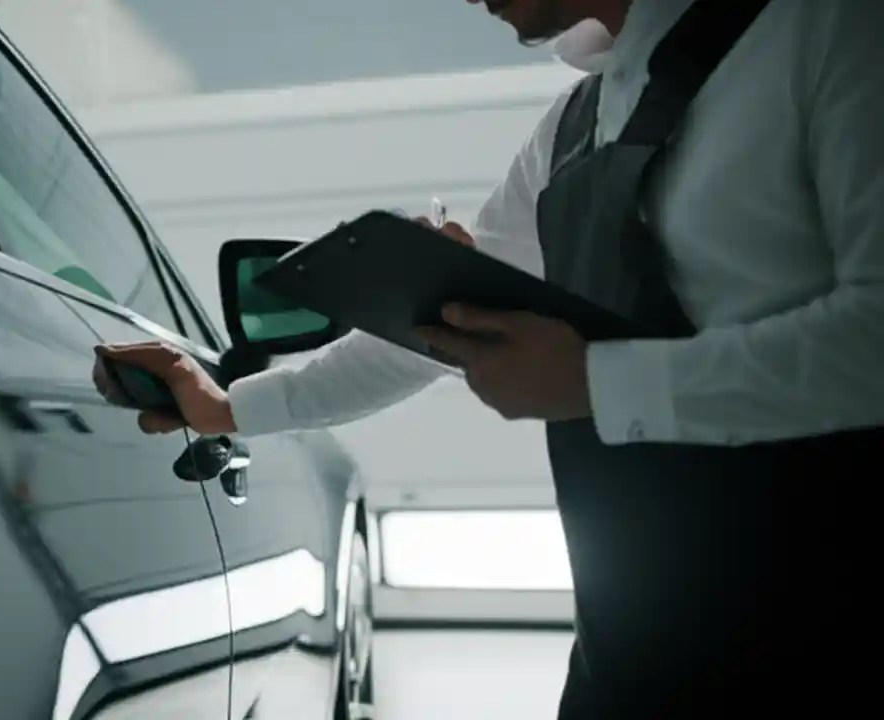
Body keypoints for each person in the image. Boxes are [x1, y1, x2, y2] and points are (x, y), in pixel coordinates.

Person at [96, 0, 883, 715]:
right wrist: (233, 407)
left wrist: (594, 381)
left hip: (817, 644)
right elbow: (431, 335)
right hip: (629, 659)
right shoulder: (572, 127)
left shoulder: (828, 32)